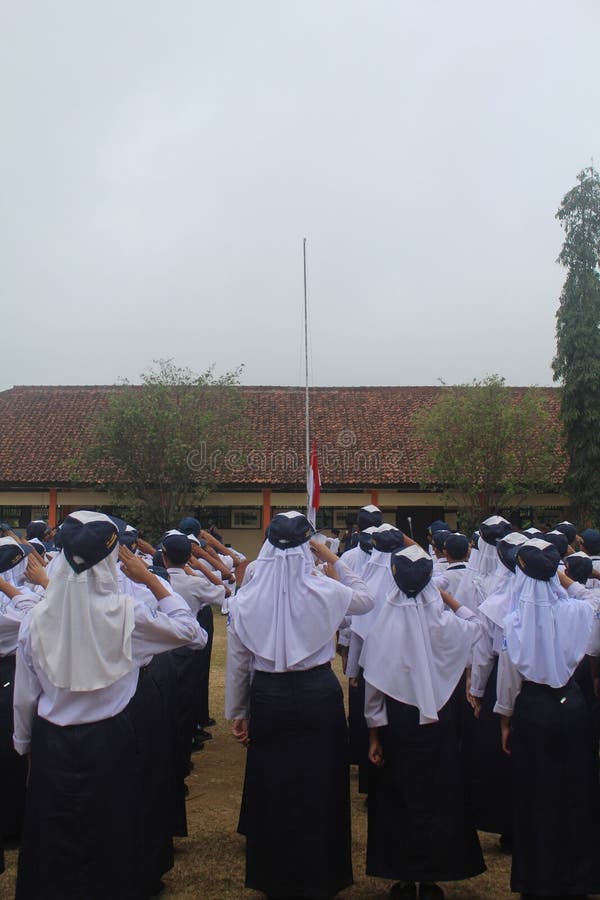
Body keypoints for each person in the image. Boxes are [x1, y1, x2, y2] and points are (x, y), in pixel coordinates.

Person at [13, 510, 205, 900]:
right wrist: (151, 580)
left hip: (52, 739)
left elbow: (25, 696)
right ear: (114, 562)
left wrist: (25, 745)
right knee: (111, 833)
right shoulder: (127, 614)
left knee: (54, 834)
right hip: (110, 738)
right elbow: (192, 633)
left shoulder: (34, 619)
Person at [225, 510, 374, 899]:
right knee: (321, 783)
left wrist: (239, 712)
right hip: (316, 693)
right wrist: (335, 558)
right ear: (309, 548)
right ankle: (320, 874)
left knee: (272, 785)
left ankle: (275, 876)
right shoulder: (326, 588)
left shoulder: (245, 598)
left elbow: (239, 661)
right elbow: (367, 598)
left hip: (269, 696)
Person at [361, 545, 486, 899]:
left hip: (398, 722)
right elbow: (476, 625)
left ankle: (402, 877)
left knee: (398, 796)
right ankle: (431, 877)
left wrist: (373, 735)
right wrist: (448, 599)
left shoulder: (383, 627)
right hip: (440, 717)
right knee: (437, 794)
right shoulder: (446, 624)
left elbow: (374, 687)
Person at [495, 538, 600, 897]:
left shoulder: (514, 621)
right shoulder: (576, 611)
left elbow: (508, 681)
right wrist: (561, 576)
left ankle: (537, 878)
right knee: (575, 791)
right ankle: (576, 877)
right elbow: (592, 598)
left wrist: (505, 721)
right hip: (572, 706)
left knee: (534, 795)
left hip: (534, 709)